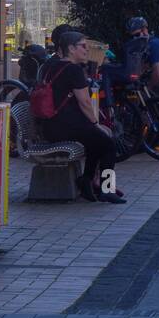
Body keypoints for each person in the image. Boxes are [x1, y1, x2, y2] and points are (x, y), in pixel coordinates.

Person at [38, 31, 124, 203]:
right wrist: (95, 123)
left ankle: (86, 182)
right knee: (109, 143)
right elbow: (85, 102)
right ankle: (106, 189)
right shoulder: (74, 70)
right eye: (83, 46)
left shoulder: (49, 65)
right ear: (71, 48)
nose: (87, 50)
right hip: (64, 127)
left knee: (97, 142)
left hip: (49, 126)